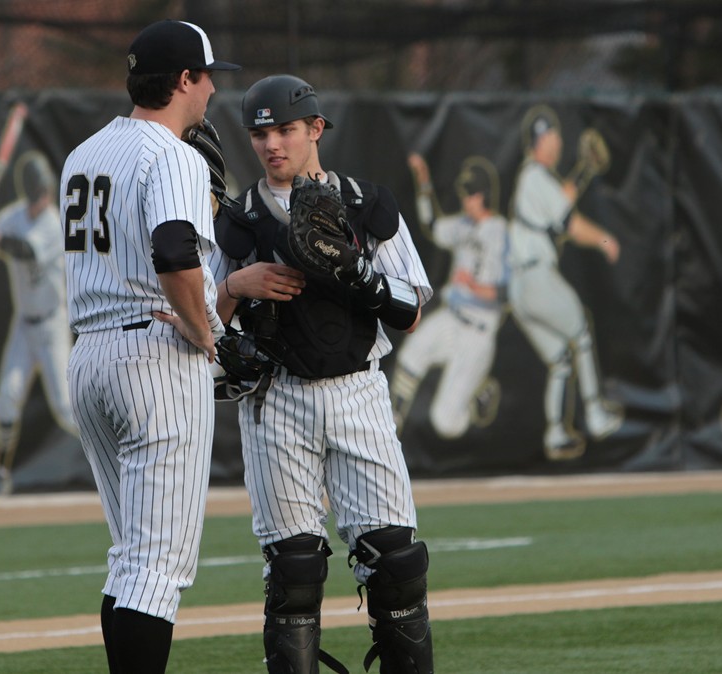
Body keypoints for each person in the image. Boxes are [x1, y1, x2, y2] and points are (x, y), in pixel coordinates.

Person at [210, 74, 435, 674]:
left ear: (315, 128)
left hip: (358, 389)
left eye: (284, 130)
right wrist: (237, 284)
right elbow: (204, 321)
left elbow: (412, 309)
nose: (271, 144)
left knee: (396, 560)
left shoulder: (365, 204)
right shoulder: (239, 220)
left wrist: (356, 273)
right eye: (259, 134)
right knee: (295, 569)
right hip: (276, 396)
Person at [58, 20, 237, 674]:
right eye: (208, 76)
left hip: (91, 354)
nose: (213, 88)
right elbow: (173, 249)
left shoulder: (84, 153)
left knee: (132, 557)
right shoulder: (174, 155)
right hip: (153, 356)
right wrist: (204, 330)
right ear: (184, 79)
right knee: (157, 566)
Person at [508, 106, 623, 461]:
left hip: (519, 288)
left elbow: (561, 199)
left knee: (560, 359)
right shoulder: (536, 178)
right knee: (581, 333)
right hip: (535, 277)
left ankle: (556, 434)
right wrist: (605, 239)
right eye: (552, 135)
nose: (557, 141)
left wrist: (584, 171)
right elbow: (569, 223)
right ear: (539, 141)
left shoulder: (533, 178)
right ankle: (596, 415)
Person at [0, 152, 78, 495]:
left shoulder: (53, 223)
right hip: (24, 325)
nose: (43, 199)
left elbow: (24, 251)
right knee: (6, 397)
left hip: (52, 324)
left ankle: (116, 457)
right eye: (38, 193)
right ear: (29, 192)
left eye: (45, 192)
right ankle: (1, 471)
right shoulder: (14, 215)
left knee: (65, 408)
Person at [390, 154, 509, 438]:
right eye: (465, 193)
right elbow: (432, 225)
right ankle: (392, 424)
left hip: (478, 331)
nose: (467, 199)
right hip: (452, 318)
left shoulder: (500, 231)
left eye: (472, 193)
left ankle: (478, 395)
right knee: (410, 356)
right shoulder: (463, 225)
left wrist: (472, 285)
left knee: (445, 421)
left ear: (485, 195)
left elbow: (503, 295)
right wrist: (424, 182)